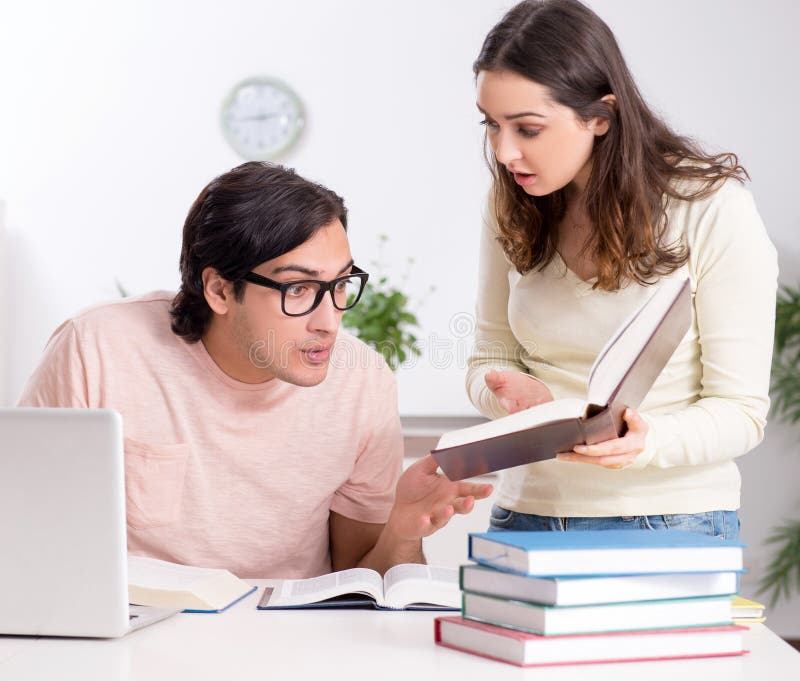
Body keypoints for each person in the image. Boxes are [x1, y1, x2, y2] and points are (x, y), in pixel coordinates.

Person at [19, 161, 492, 578]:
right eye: (299, 289)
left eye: (341, 284)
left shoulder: (362, 383)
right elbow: (25, 536)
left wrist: (403, 532)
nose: (329, 322)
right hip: (135, 641)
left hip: (289, 645)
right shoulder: (97, 349)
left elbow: (359, 582)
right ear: (220, 291)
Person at [466, 0, 777, 540]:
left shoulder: (708, 207)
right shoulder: (508, 204)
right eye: (492, 125)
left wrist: (644, 439)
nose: (505, 151)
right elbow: (489, 356)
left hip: (672, 519)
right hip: (526, 514)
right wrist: (506, 396)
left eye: (528, 129)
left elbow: (740, 412)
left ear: (601, 116)